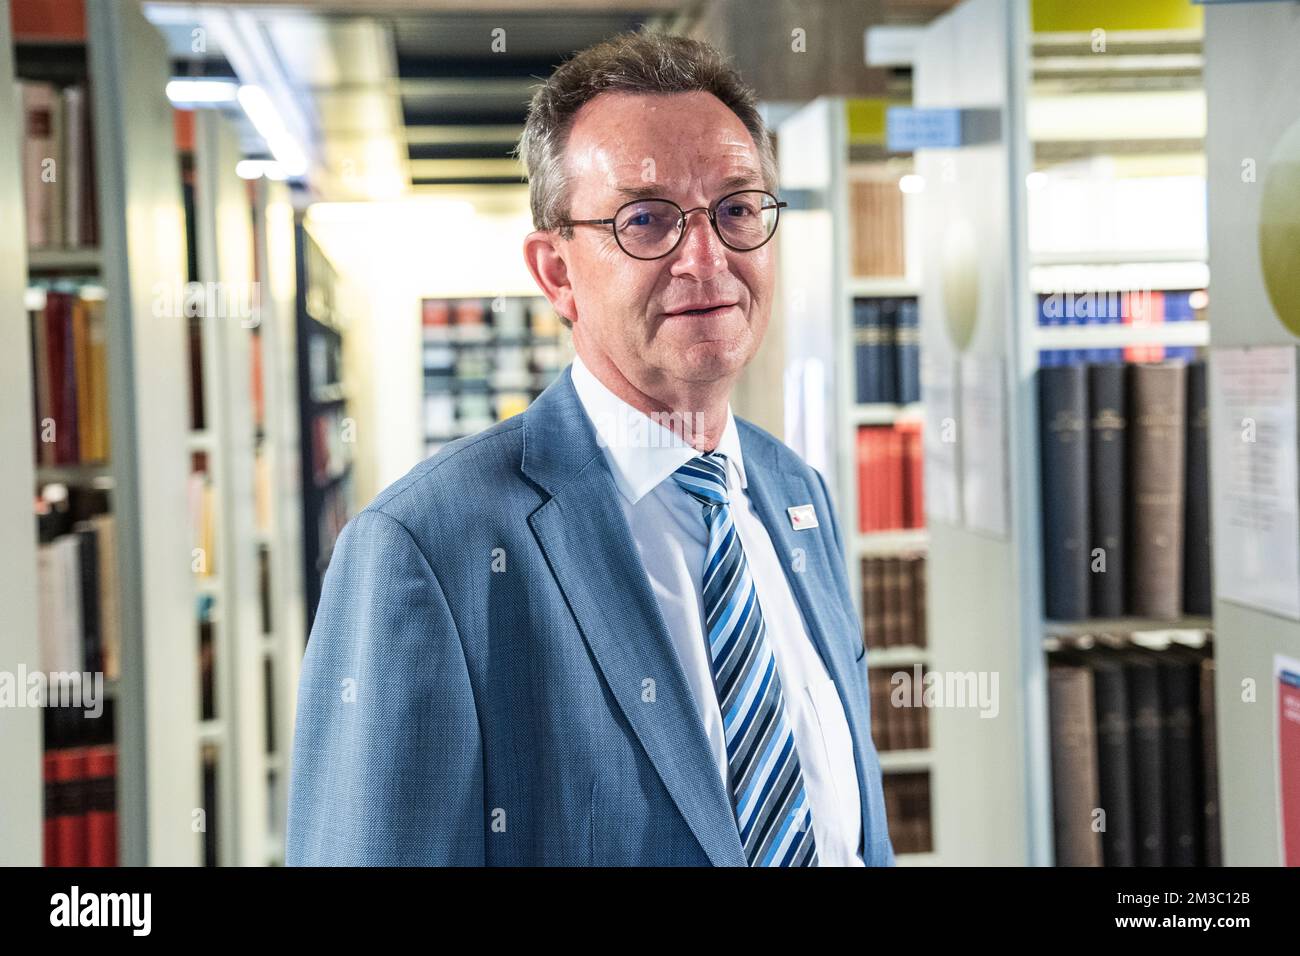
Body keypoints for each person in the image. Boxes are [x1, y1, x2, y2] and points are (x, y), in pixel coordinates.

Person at [287, 30, 894, 867]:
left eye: (738, 208)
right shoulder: (427, 550)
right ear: (557, 274)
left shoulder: (798, 494)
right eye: (646, 220)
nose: (707, 257)